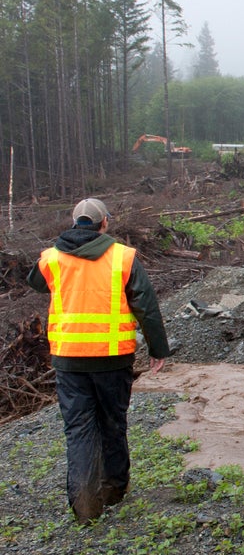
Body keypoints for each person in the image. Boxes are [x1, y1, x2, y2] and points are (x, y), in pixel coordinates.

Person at [27, 197, 170, 523]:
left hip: (69, 360)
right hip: (112, 359)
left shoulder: (52, 257)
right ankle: (114, 489)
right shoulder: (123, 256)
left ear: (74, 221)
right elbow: (146, 305)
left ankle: (85, 504)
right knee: (112, 423)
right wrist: (158, 349)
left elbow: (35, 282)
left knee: (78, 428)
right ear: (104, 222)